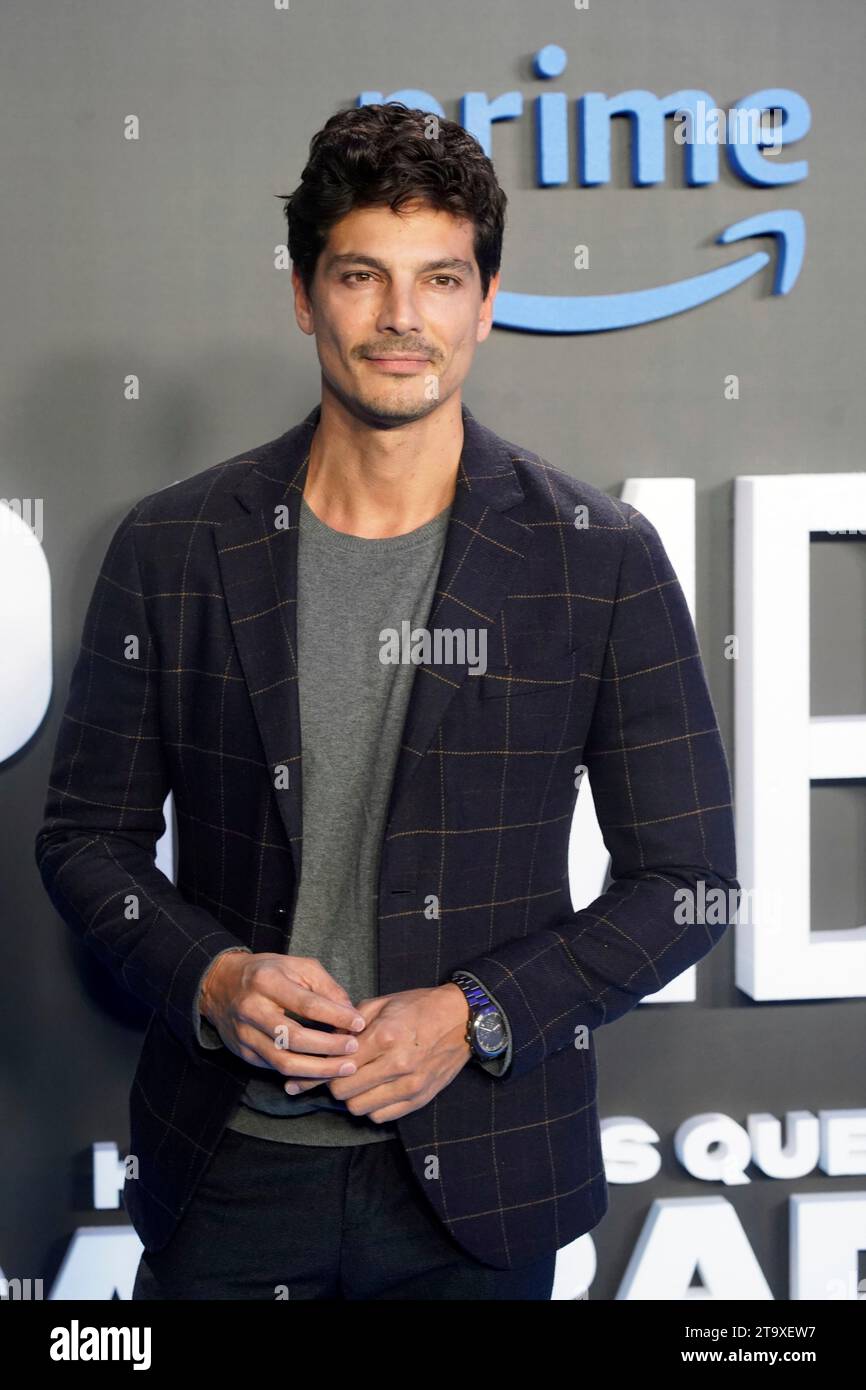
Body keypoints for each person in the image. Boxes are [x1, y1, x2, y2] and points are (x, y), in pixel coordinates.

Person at [35, 102, 739, 1300]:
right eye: (362, 275)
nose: (402, 318)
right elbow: (83, 842)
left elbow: (685, 883)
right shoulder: (173, 543)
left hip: (483, 1190)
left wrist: (472, 1013)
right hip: (226, 1177)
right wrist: (212, 978)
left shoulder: (596, 555)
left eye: (439, 279)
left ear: (487, 298)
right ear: (306, 296)